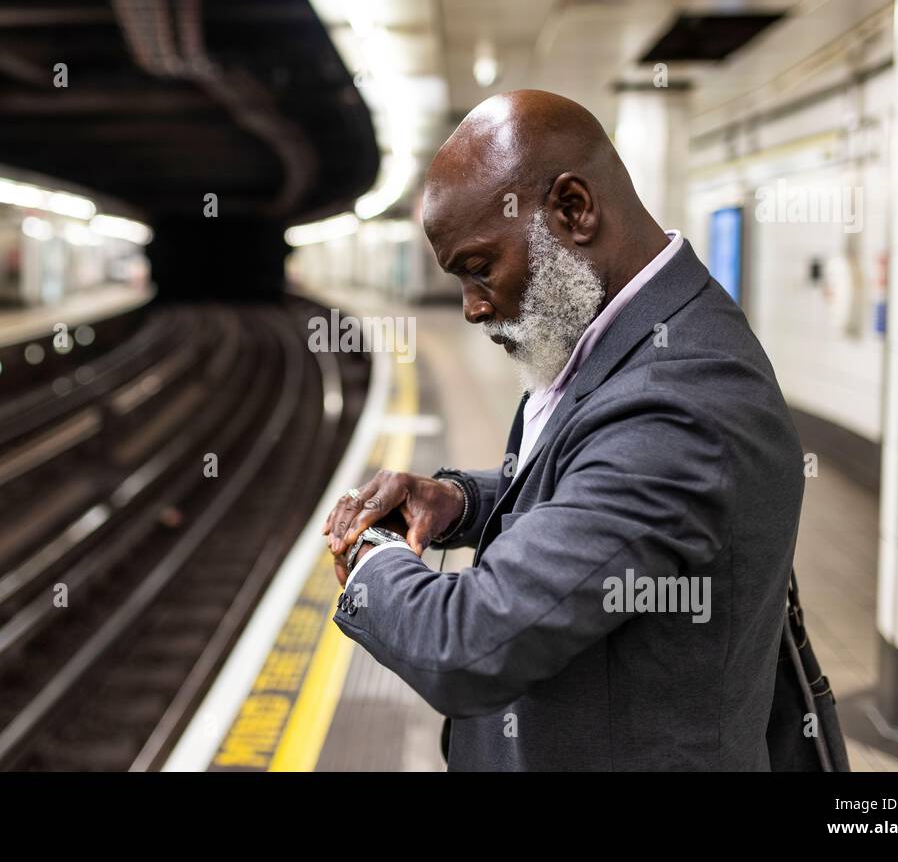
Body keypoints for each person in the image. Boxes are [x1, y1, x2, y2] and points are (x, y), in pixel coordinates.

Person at [323, 90, 805, 770]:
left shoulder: (682, 401)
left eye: (480, 267)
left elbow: (470, 645)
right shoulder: (621, 334)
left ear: (573, 209)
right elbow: (594, 484)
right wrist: (462, 501)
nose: (471, 307)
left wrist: (371, 560)